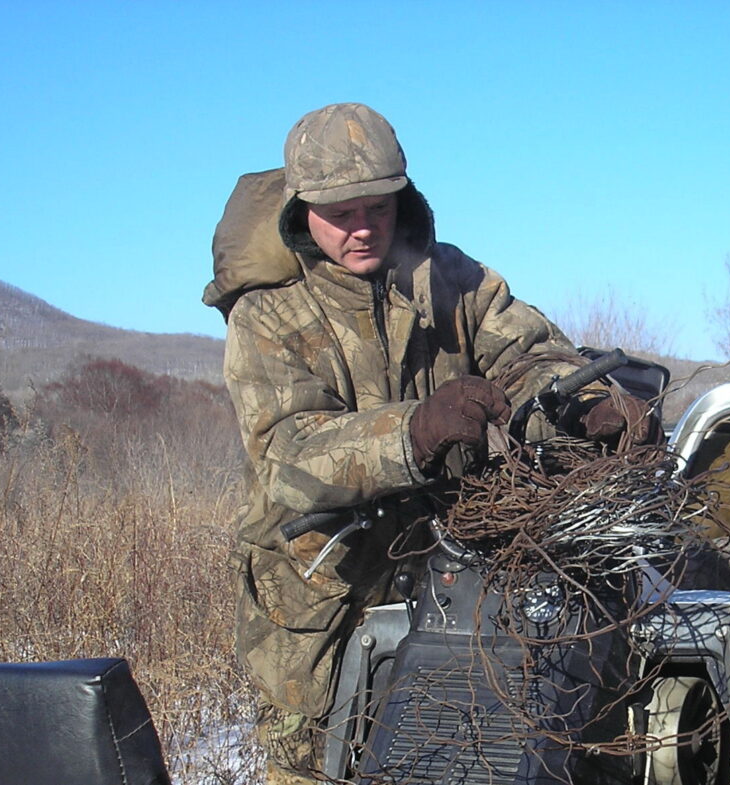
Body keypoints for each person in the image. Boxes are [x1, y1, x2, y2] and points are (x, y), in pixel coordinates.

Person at [201, 103, 652, 784]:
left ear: (402, 199)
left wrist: (579, 406)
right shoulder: (270, 313)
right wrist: (413, 431)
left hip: (458, 608)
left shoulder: (453, 280)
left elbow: (531, 354)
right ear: (301, 210)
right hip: (325, 618)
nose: (362, 226)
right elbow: (287, 455)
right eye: (340, 211)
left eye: (377, 207)